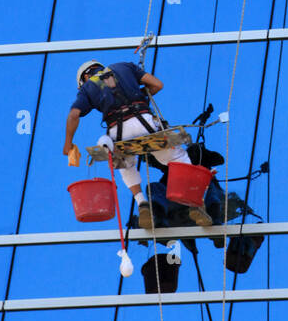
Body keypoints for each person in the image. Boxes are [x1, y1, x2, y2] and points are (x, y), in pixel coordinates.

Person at [63, 59, 210, 233]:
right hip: (144, 122)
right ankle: (194, 205)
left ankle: (141, 203)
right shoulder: (125, 66)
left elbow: (74, 115)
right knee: (175, 157)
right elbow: (157, 85)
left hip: (117, 130)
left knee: (124, 164)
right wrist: (140, 97)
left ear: (86, 76)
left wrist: (68, 144)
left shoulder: (88, 87)